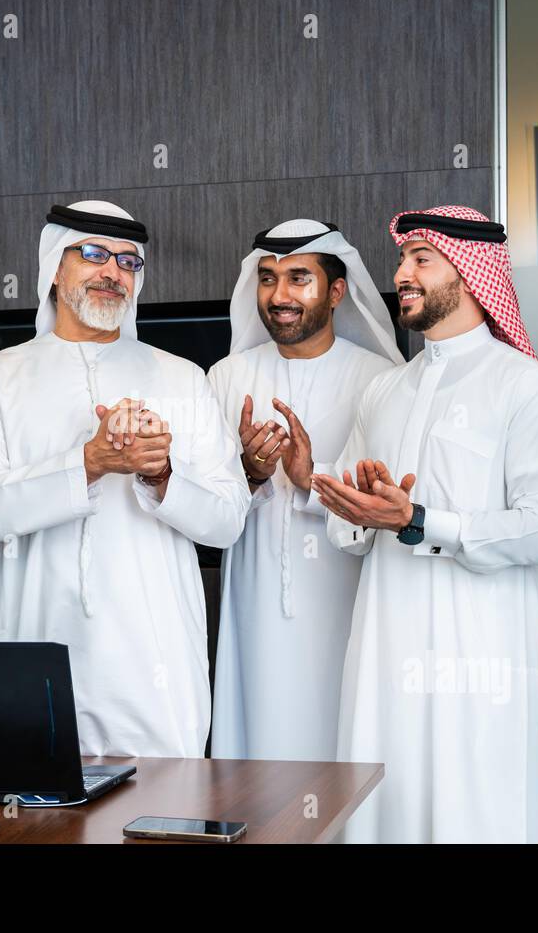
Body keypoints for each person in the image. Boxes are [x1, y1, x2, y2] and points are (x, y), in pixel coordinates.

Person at [0, 200, 248, 758]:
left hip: (151, 659)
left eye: (128, 262)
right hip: (33, 645)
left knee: (158, 821)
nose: (112, 271)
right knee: (32, 820)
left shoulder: (182, 378)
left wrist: (161, 476)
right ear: (53, 269)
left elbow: (227, 521)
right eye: (92, 254)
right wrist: (90, 463)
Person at [314, 206, 538, 842]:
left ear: (471, 273)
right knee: (384, 812)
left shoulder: (528, 388)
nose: (401, 273)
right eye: (402, 260)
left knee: (474, 814)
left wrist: (419, 521)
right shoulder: (384, 392)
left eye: (420, 259)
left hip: (478, 661)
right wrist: (355, 511)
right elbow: (345, 521)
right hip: (384, 657)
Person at [208, 219, 401, 762]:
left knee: (345, 743)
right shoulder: (224, 378)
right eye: (267, 279)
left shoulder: (381, 380)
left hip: (346, 601)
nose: (280, 295)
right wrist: (246, 472)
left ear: (336, 291)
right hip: (254, 604)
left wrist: (310, 478)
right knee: (256, 757)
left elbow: (390, 503)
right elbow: (201, 506)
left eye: (298, 278)